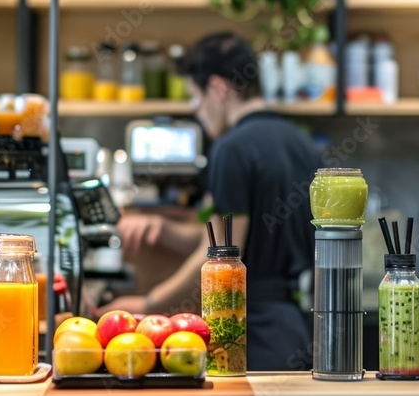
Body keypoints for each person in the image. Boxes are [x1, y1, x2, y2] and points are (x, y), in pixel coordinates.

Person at [96, 32, 321, 371]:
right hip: (295, 329)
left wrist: (148, 302)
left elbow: (222, 258)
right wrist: (163, 229)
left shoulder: (231, 149)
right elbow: (225, 237)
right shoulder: (303, 145)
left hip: (245, 331)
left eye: (196, 98)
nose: (197, 112)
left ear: (218, 88)